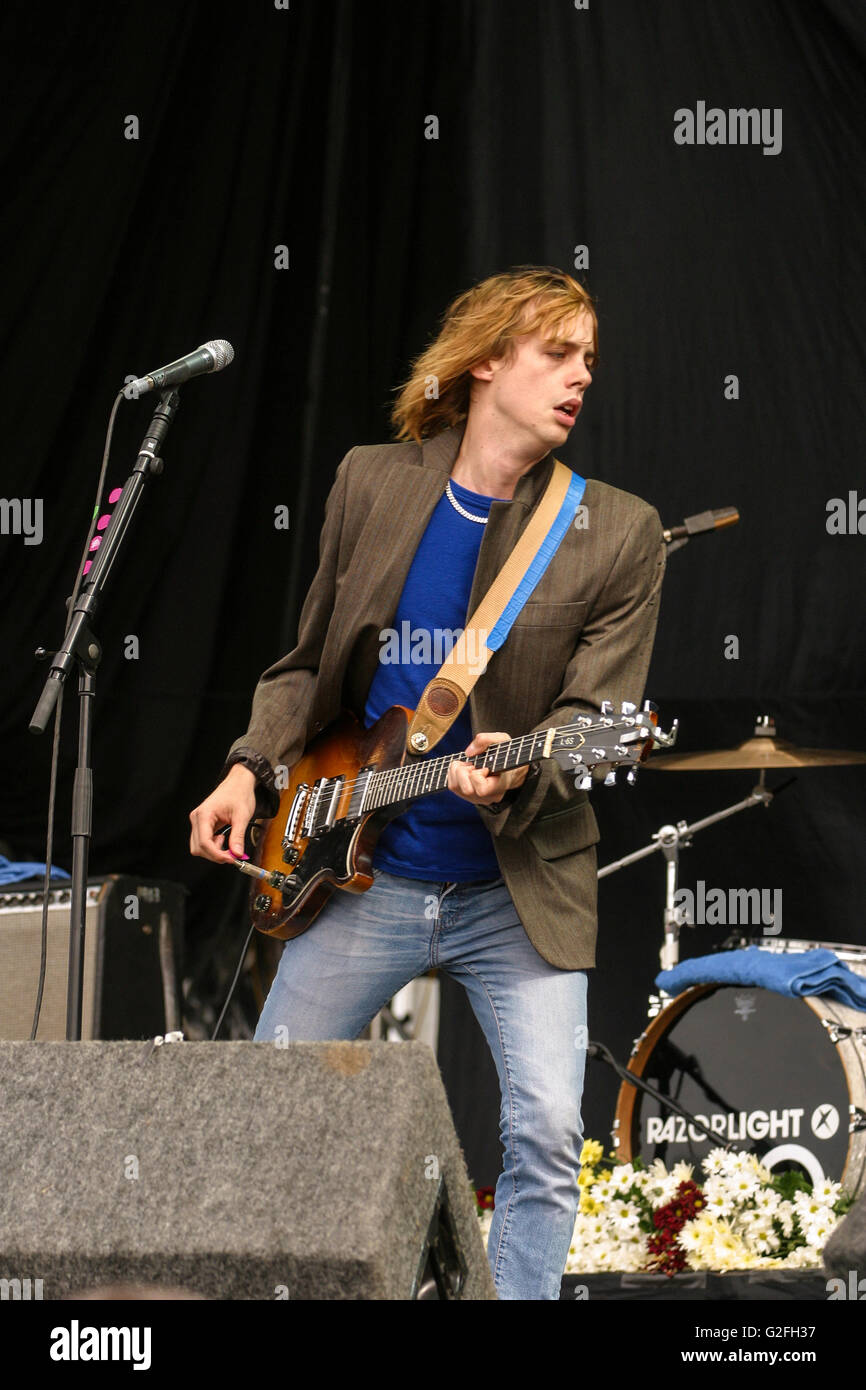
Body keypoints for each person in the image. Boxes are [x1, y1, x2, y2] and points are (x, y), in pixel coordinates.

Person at [189, 266, 666, 1299]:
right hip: (365, 873)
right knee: (265, 1108)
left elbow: (596, 720)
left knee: (543, 1130)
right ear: (485, 359)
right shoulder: (373, 480)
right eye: (556, 352)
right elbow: (309, 666)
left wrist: (520, 769)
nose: (580, 375)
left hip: (514, 886)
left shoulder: (615, 530)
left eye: (589, 358)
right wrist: (246, 768)